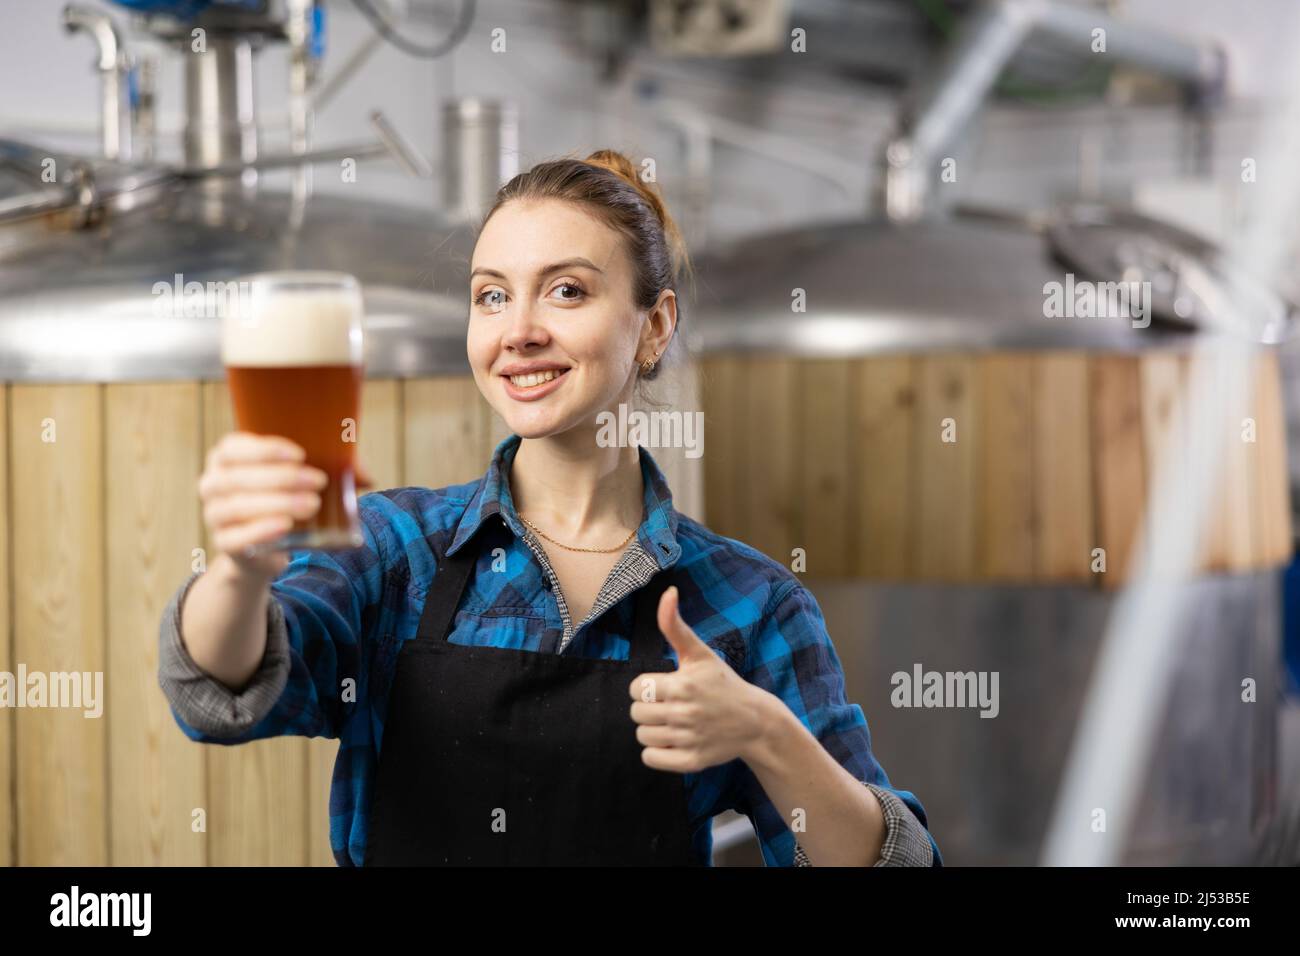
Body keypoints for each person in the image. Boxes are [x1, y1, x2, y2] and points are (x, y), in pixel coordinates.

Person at [158, 148, 941, 867]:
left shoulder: (751, 603)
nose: (520, 331)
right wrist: (240, 572)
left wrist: (768, 733)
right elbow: (221, 692)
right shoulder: (396, 548)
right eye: (491, 296)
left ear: (654, 326)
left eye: (567, 291)